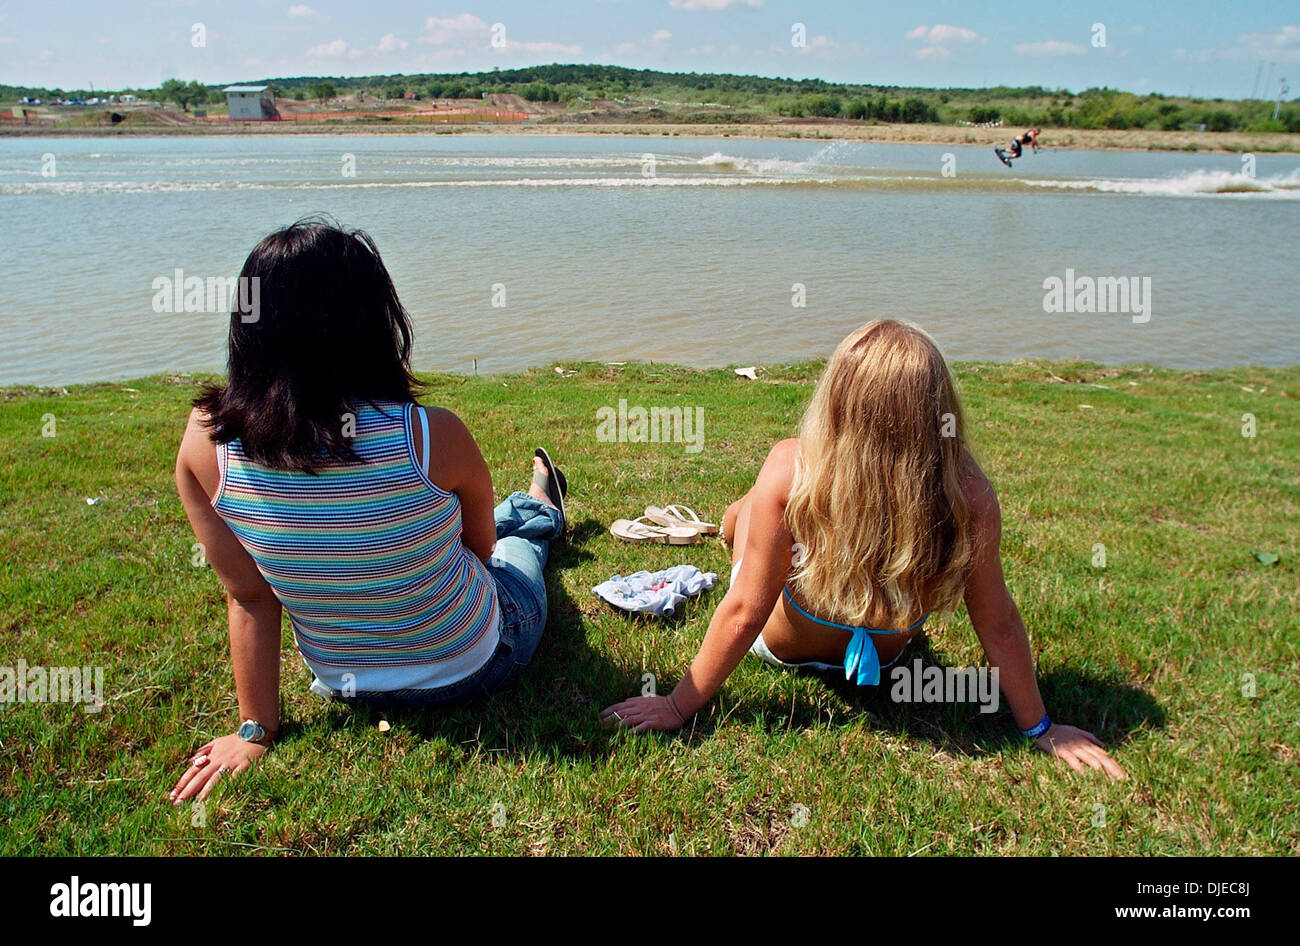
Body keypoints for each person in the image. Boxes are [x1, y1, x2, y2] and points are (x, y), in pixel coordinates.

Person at [602, 320, 1125, 780]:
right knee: (763, 511)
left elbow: (743, 611)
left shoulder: (792, 468)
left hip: (782, 648)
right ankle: (740, 515)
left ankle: (732, 520)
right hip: (888, 655)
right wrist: (1042, 727)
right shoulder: (968, 493)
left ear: (835, 401)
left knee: (745, 518)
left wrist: (676, 704)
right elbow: (999, 623)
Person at [169, 217, 566, 806]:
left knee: (454, 528)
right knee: (515, 552)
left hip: (343, 685)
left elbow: (250, 596)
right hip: (477, 664)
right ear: (372, 322)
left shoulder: (205, 447)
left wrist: (255, 730)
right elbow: (479, 553)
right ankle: (540, 505)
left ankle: (528, 504)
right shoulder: (432, 436)